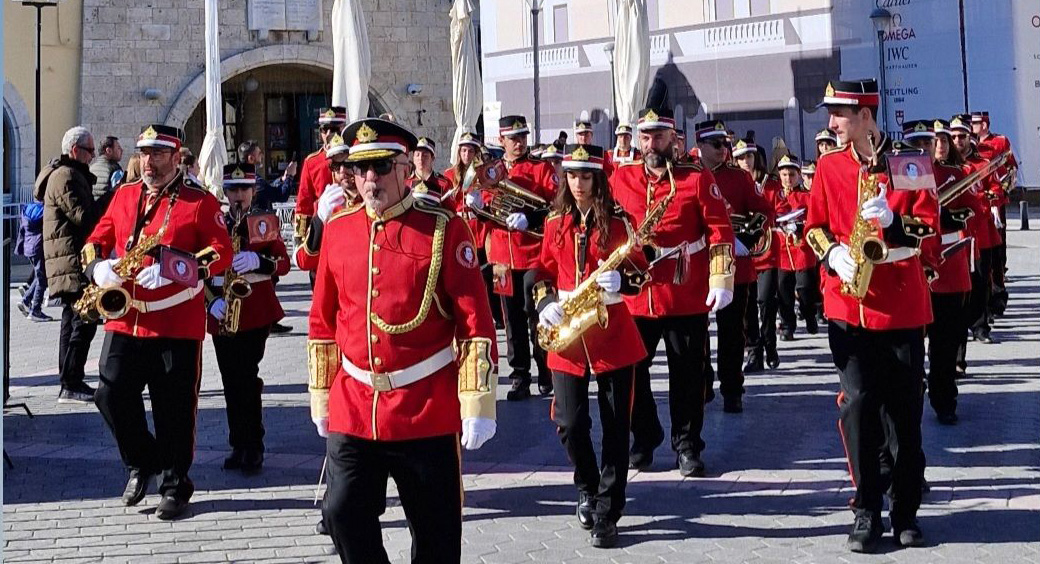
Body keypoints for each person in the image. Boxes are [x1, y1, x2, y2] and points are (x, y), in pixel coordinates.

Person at [307, 117, 498, 562]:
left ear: (405, 169)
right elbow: (322, 320)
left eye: (380, 167)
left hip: (424, 406)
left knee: (436, 535)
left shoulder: (444, 227)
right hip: (354, 404)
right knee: (340, 512)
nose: (369, 179)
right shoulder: (338, 230)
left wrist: (477, 402)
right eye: (360, 169)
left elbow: (474, 321)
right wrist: (321, 395)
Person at [805, 79, 938, 552]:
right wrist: (831, 254)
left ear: (865, 115)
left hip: (900, 304)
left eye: (839, 114)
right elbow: (813, 227)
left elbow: (930, 234)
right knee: (858, 408)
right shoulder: (828, 165)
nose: (831, 123)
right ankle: (866, 509)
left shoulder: (910, 161)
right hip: (847, 305)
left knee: (904, 414)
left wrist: (894, 223)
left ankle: (905, 510)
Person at [85, 124, 233, 520]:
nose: (149, 162)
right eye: (144, 153)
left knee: (174, 410)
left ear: (175, 156)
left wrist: (178, 269)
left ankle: (174, 485)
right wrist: (97, 267)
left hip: (175, 322)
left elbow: (222, 251)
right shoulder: (125, 194)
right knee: (110, 393)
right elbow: (96, 238)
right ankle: (143, 461)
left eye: (158, 154)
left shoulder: (198, 201)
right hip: (126, 318)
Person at [532, 144, 648, 548]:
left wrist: (626, 283)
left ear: (598, 180)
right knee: (569, 422)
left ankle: (608, 510)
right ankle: (586, 484)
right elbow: (542, 269)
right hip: (568, 333)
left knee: (616, 427)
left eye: (585, 177)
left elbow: (641, 271)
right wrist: (545, 301)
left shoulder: (619, 222)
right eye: (571, 176)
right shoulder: (555, 222)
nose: (577, 184)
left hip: (611, 332)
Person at [611, 107, 736, 476]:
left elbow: (720, 229)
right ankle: (645, 434)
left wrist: (721, 279)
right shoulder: (622, 177)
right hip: (637, 294)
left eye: (660, 137)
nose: (652, 145)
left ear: (674, 138)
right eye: (646, 137)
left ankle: (687, 445)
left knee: (688, 374)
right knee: (631, 370)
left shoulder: (695, 178)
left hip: (684, 290)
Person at [206, 163, 291, 473]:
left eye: (244, 189)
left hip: (254, 310)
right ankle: (238, 443)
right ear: (225, 192)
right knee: (231, 380)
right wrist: (210, 302)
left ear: (254, 191)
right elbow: (199, 266)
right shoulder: (214, 221)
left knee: (246, 377)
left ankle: (253, 444)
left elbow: (283, 263)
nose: (239, 195)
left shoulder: (263, 222)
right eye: (233, 189)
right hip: (221, 309)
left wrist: (259, 260)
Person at [466, 115, 557, 400]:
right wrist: (477, 207)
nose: (519, 143)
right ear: (501, 141)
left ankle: (546, 369)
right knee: (511, 319)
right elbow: (491, 214)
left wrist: (529, 216)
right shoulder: (491, 172)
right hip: (503, 256)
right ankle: (519, 376)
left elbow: (555, 207)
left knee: (536, 313)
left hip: (533, 254)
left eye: (523, 137)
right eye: (513, 138)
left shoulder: (541, 169)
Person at [695, 120, 772, 413]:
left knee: (731, 332)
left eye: (726, 144)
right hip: (697, 267)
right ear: (700, 146)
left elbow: (765, 211)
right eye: (716, 145)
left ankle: (731, 388)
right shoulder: (688, 175)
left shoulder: (739, 178)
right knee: (695, 332)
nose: (724, 150)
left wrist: (747, 240)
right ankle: (702, 383)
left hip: (733, 267)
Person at [916, 119, 979, 425]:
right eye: (918, 144)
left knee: (945, 344)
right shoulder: (894, 177)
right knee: (910, 346)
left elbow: (973, 210)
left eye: (929, 143)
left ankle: (944, 400)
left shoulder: (954, 175)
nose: (925, 149)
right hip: (910, 274)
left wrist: (947, 217)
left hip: (947, 271)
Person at [35, 125, 102, 403]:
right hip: (72, 261)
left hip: (69, 260)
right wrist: (113, 198)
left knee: (73, 321)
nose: (93, 155)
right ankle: (71, 381)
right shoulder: (66, 176)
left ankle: (70, 380)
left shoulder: (69, 174)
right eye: (89, 150)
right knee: (81, 322)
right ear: (75, 151)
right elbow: (84, 217)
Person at [950, 114, 1001, 344]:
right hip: (957, 235)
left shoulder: (982, 163)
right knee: (960, 286)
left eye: (962, 136)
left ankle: (980, 327)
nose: (958, 141)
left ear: (969, 137)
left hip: (981, 233)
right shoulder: (947, 167)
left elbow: (997, 188)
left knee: (981, 281)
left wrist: (985, 197)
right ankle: (960, 328)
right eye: (954, 137)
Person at [971, 111, 1016, 316]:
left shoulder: (999, 141)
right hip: (977, 206)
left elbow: (1011, 169)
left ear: (985, 124)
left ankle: (1000, 277)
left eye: (977, 123)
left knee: (999, 244)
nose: (973, 126)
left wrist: (1002, 190)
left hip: (996, 202)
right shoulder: (968, 146)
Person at [775, 155, 819, 340]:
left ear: (799, 175)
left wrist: (801, 226)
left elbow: (814, 218)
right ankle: (787, 326)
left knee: (804, 288)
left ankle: (809, 314)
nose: (788, 178)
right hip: (782, 251)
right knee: (784, 291)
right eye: (784, 174)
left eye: (791, 174)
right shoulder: (775, 195)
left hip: (802, 250)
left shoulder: (806, 196)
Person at [295, 107, 347, 263]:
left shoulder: (353, 156)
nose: (329, 133)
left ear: (343, 128)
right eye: (325, 129)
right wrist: (301, 239)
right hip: (321, 229)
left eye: (335, 129)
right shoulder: (312, 162)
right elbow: (303, 206)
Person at [15, 200, 52, 321]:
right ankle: (35, 310)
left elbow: (21, 231)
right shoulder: (45, 211)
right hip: (38, 247)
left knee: (39, 276)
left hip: (28, 248)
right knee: (42, 280)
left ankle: (26, 300)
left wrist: (19, 248)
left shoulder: (27, 209)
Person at [238, 140, 297, 212]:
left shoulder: (240, 177)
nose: (262, 156)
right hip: (258, 219)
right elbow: (281, 195)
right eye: (259, 154)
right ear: (251, 158)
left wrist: (282, 179)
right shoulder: (254, 180)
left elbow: (267, 189)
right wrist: (290, 177)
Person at [409, 137, 454, 207]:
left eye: (425, 155)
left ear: (432, 158)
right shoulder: (406, 182)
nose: (420, 158)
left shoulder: (443, 183)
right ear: (413, 158)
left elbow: (450, 211)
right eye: (417, 155)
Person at [89, 136, 124, 201]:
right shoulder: (115, 171)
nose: (122, 150)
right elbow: (120, 195)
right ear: (109, 151)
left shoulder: (91, 168)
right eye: (118, 148)